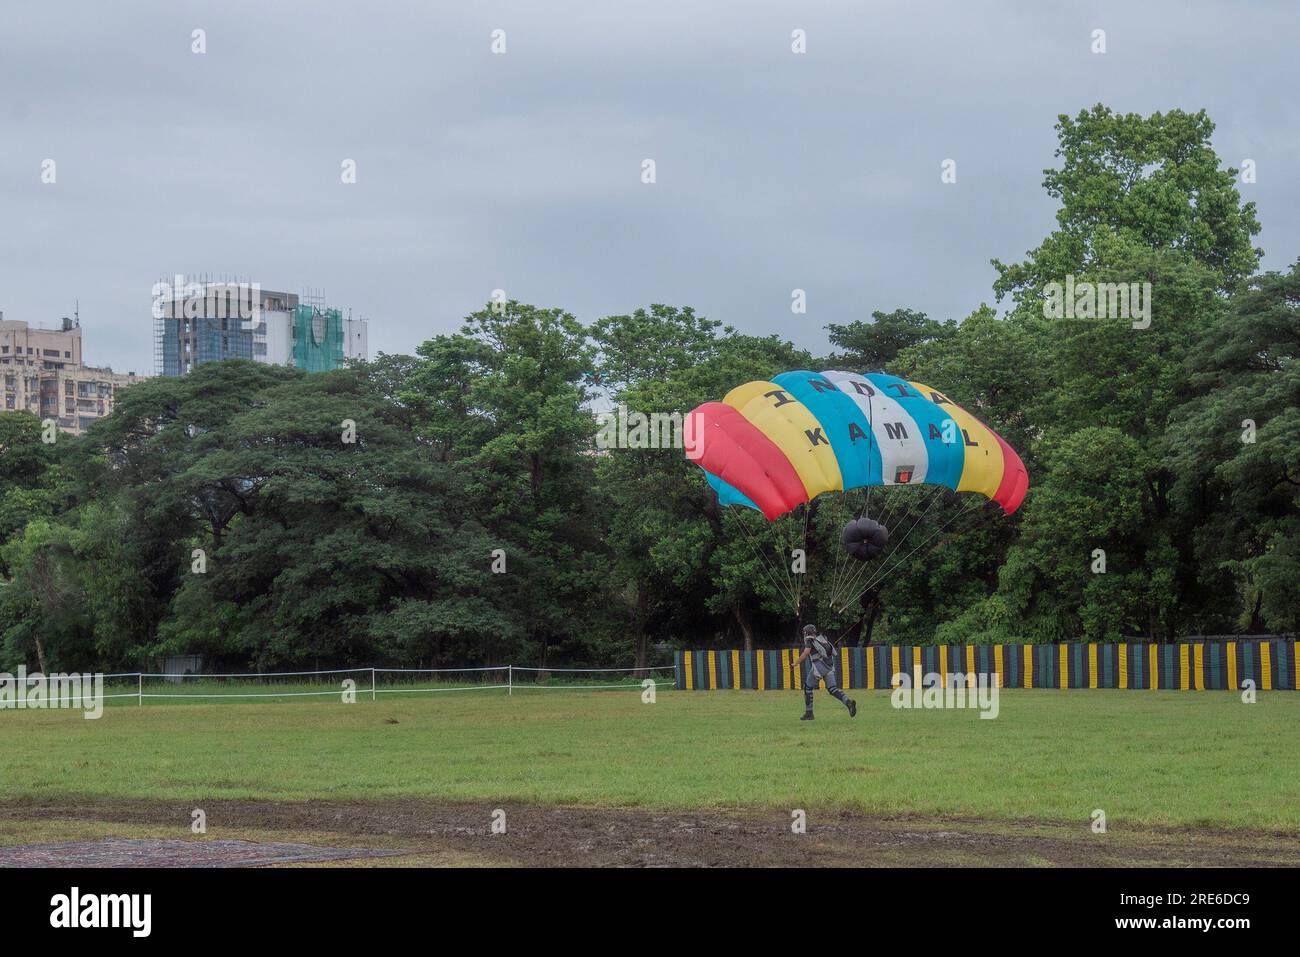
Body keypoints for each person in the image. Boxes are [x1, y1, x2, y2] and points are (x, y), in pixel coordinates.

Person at [794, 623, 856, 720]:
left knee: (808, 687)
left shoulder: (809, 640)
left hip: (819, 667)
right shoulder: (821, 638)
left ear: (806, 633)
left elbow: (806, 652)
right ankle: (848, 702)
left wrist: (796, 663)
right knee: (832, 689)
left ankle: (809, 713)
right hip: (830, 666)